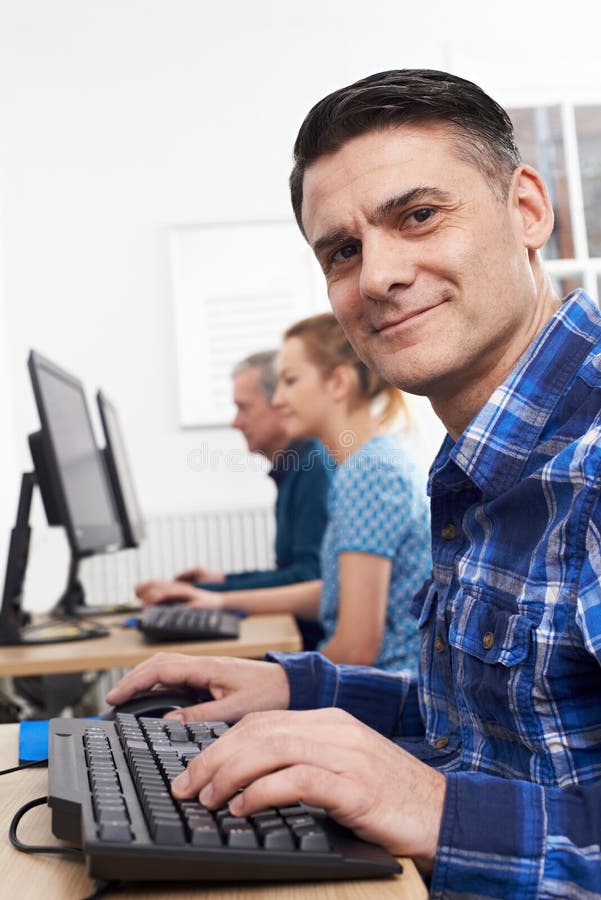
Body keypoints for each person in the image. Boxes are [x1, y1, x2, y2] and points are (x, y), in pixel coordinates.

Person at [107, 68, 601, 896]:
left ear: (526, 209)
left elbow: (455, 778)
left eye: (417, 215)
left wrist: (433, 806)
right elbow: (492, 729)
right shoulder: (482, 457)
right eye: (342, 251)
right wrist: (298, 687)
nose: (376, 277)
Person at [139, 313, 431, 672]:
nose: (277, 400)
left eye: (290, 381)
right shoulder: (367, 464)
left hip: (385, 696)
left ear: (338, 383)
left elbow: (356, 651)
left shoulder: (369, 475)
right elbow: (333, 591)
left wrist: (270, 679)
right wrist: (218, 601)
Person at [136, 351, 332, 648]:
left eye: (244, 409)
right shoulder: (295, 468)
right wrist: (220, 580)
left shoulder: (314, 467)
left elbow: (310, 576)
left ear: (279, 404)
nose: (235, 423)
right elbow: (295, 574)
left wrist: (210, 592)